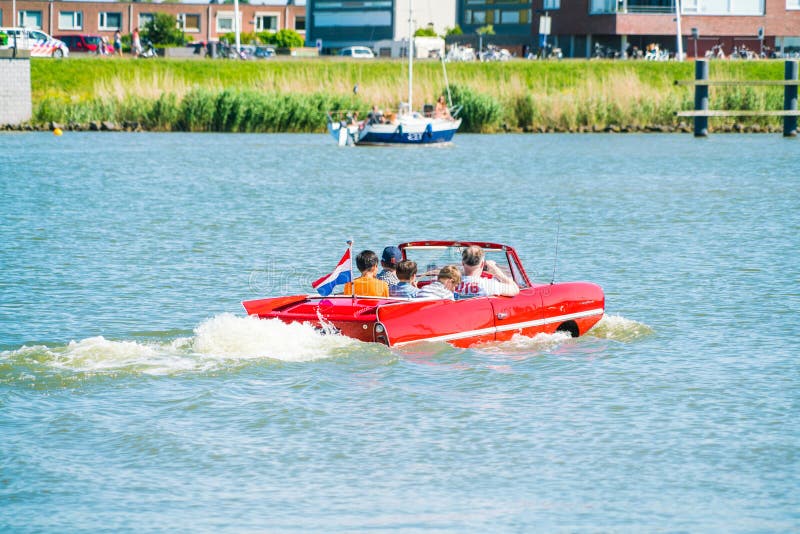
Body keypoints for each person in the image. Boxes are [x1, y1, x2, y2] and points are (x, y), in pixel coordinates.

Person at [455, 245, 519, 299]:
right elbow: (515, 289)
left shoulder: (450, 284)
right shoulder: (488, 285)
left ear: (463, 263)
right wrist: (496, 271)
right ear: (482, 264)